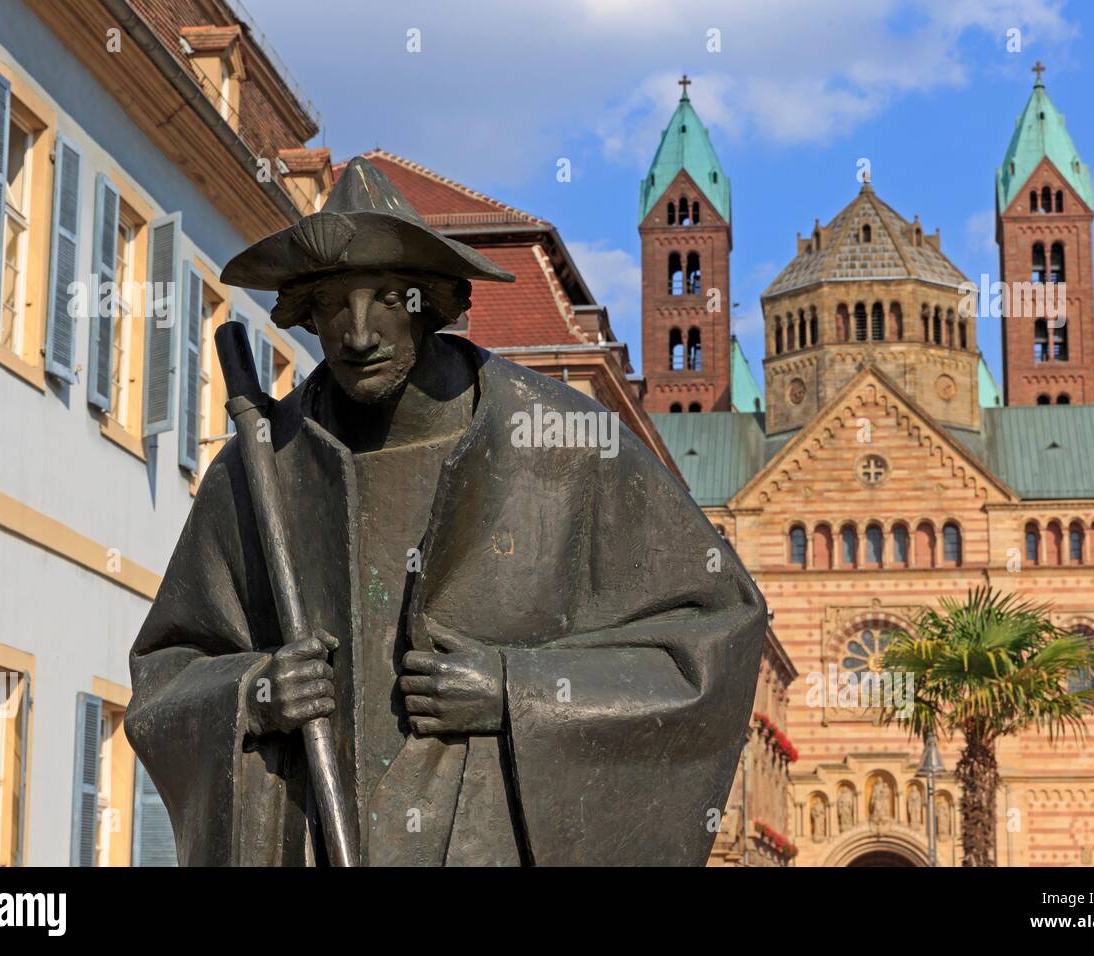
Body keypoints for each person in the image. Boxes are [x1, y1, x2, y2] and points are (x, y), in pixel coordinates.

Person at [125, 157, 766, 866]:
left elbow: (717, 636)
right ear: (305, 312)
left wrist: (515, 693)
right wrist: (253, 693)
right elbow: (167, 676)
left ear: (429, 302)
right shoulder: (258, 469)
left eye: (385, 300)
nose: (358, 333)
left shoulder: (564, 443)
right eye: (334, 305)